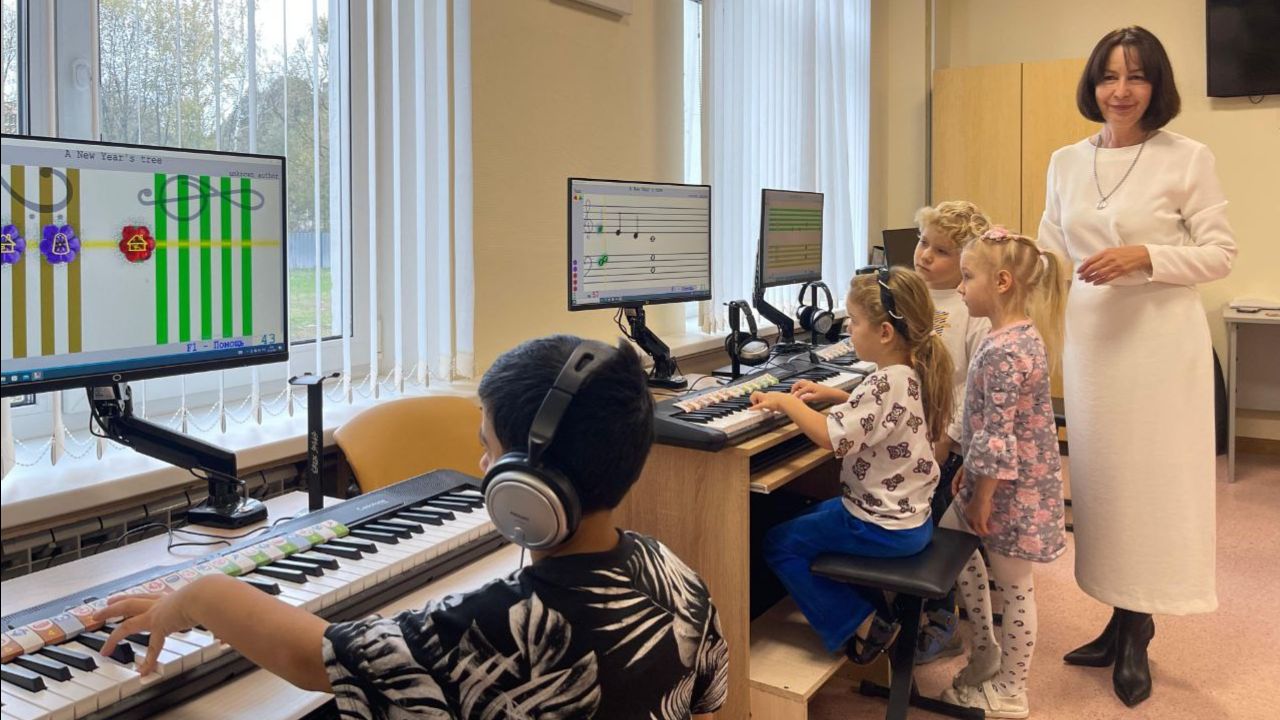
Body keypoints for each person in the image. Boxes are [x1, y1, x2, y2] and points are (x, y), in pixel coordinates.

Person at [91, 335, 729, 719]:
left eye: (489, 450)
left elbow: (314, 658)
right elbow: (706, 705)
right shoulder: (675, 576)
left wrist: (200, 595)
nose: (483, 468)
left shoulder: (500, 626)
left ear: (528, 487)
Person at [1038, 26, 1235, 708]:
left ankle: (1138, 630)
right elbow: (1051, 249)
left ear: (1158, 85)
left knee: (1152, 487)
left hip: (1159, 345)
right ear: (1092, 84)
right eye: (1108, 76)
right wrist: (1003, 254)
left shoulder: (1188, 157)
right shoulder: (1065, 161)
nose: (1120, 91)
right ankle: (1118, 616)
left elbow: (1220, 254)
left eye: (1136, 76)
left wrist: (1146, 256)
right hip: (1093, 345)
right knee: (1104, 485)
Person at [749, 267, 954, 662]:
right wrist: (834, 395)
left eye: (854, 322)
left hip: (880, 526)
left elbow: (830, 437)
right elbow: (882, 413)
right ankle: (860, 609)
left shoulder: (884, 382)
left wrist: (787, 403)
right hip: (909, 519)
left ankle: (863, 625)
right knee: (805, 514)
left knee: (779, 543)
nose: (848, 329)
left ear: (885, 333)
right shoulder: (908, 370)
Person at [935, 227, 1069, 719]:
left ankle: (1012, 690)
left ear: (1003, 282)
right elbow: (986, 425)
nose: (961, 287)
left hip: (1012, 493)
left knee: (1015, 589)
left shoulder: (1004, 350)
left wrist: (983, 495)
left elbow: (998, 434)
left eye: (968, 277)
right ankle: (986, 650)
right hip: (993, 481)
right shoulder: (1011, 337)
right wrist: (970, 475)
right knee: (951, 542)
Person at [910, 200, 994, 665]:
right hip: (913, 432)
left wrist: (949, 438)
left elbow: (974, 385)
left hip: (947, 441)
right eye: (923, 242)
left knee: (937, 530)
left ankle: (943, 621)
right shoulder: (915, 297)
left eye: (940, 251)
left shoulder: (973, 310)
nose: (924, 255)